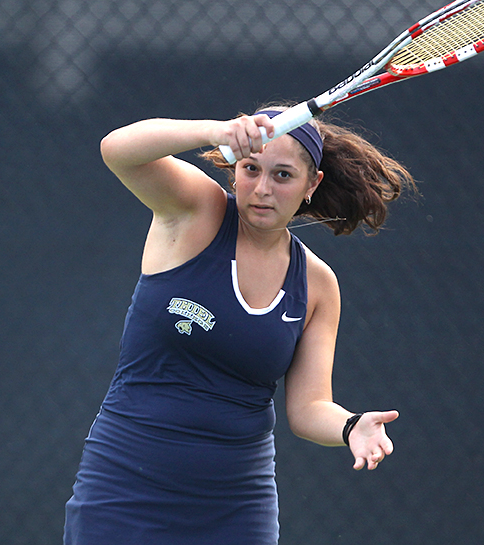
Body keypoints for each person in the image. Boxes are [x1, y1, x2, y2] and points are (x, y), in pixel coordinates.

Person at [64, 103, 417, 545]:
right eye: (251, 169)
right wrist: (216, 129)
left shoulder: (317, 285)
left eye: (283, 175)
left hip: (235, 507)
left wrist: (350, 426)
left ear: (313, 184)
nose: (262, 189)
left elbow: (308, 408)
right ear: (235, 167)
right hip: (124, 488)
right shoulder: (196, 209)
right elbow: (117, 149)